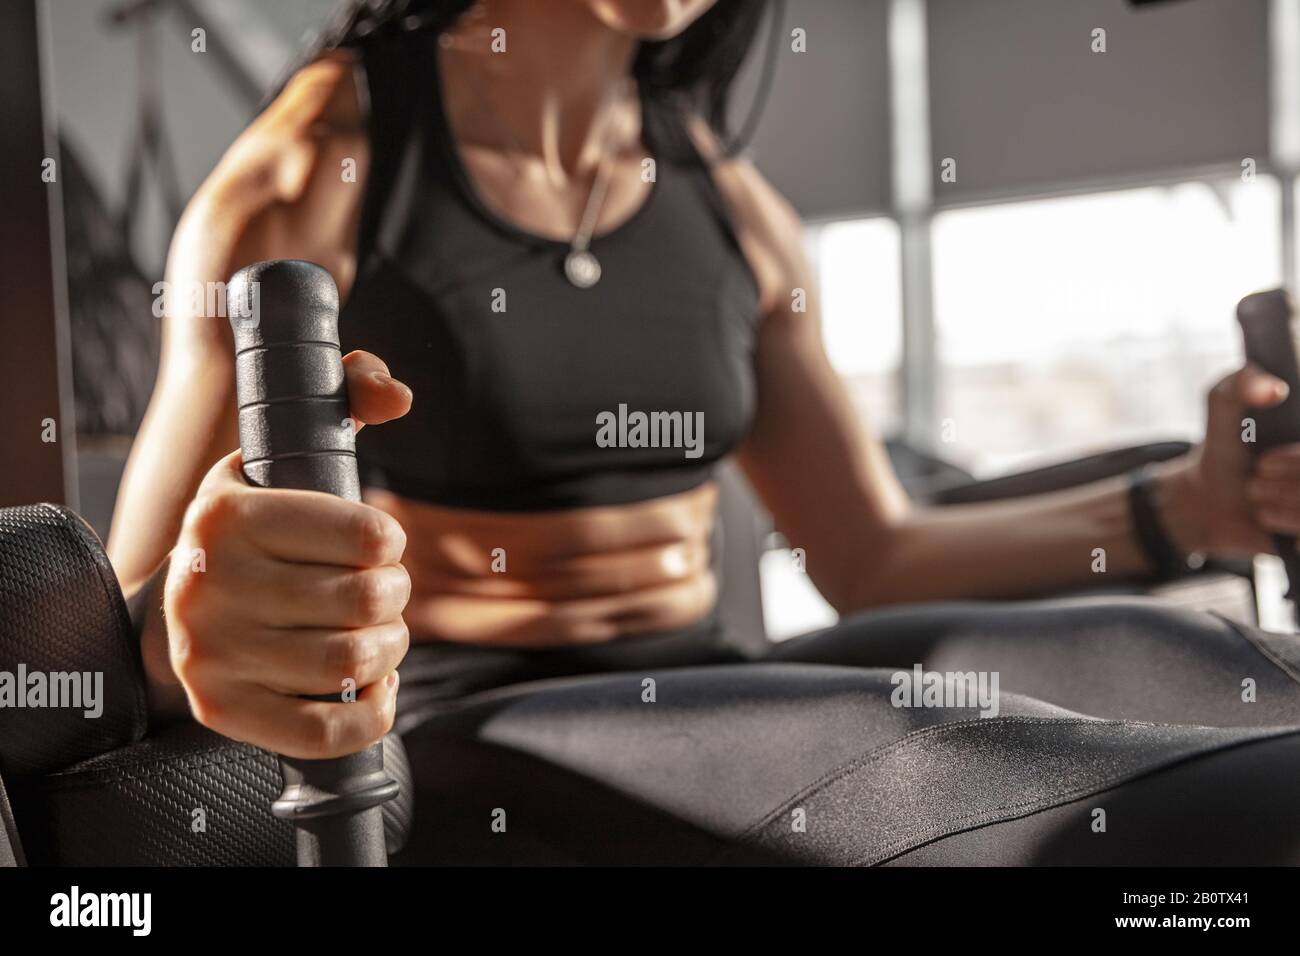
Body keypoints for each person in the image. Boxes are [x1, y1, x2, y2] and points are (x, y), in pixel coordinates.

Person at [108, 0, 1300, 864]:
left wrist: (1186, 508)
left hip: (717, 676)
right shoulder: (309, 171)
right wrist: (211, 604)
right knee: (1091, 780)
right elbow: (131, 633)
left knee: (1225, 673)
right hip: (471, 733)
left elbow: (870, 553)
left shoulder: (724, 195)